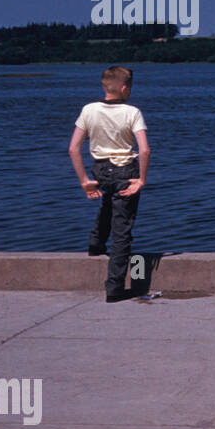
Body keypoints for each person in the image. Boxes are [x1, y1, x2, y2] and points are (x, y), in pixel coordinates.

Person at [68, 66, 150, 302]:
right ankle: (114, 288)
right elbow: (144, 149)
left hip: (100, 170)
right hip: (126, 171)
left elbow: (73, 148)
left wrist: (85, 180)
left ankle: (95, 244)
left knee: (108, 203)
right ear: (125, 88)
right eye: (130, 88)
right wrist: (141, 180)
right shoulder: (132, 112)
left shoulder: (88, 110)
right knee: (122, 230)